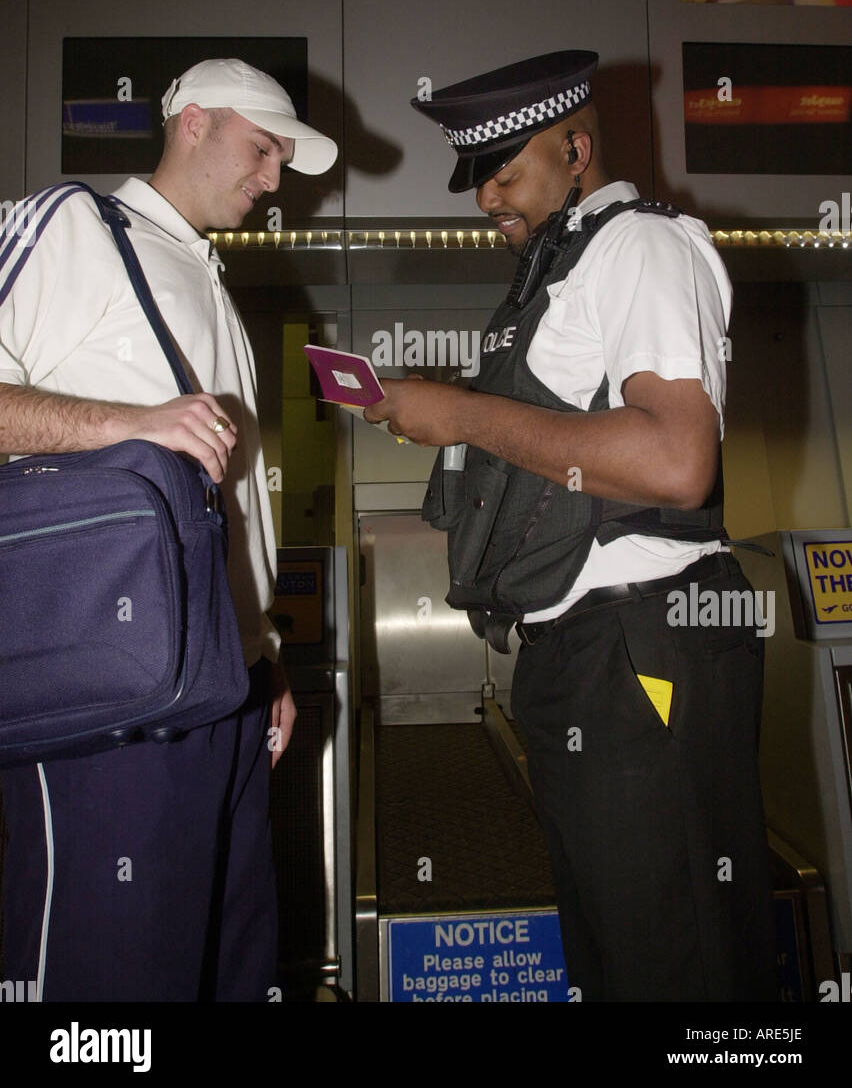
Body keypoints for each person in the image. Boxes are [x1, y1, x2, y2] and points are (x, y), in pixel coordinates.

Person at [365, 50, 778, 1002]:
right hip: (581, 654)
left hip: (645, 642)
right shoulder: (561, 268)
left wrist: (464, 416)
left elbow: (678, 462)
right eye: (478, 182)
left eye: (505, 176)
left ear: (577, 148)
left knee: (682, 960)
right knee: (620, 955)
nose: (486, 202)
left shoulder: (641, 247)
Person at [0, 58, 337, 1001]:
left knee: (222, 966)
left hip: (218, 688)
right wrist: (122, 424)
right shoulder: (73, 226)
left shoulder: (210, 275)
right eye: (263, 149)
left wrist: (260, 658)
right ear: (193, 121)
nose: (274, 181)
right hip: (109, 690)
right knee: (106, 983)